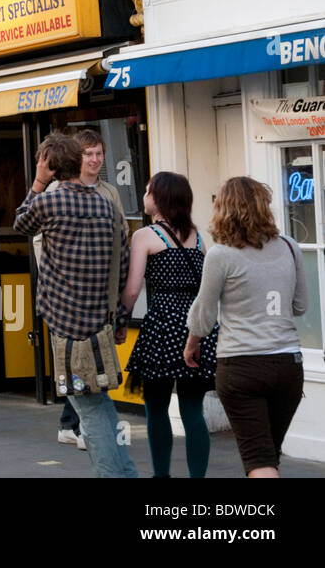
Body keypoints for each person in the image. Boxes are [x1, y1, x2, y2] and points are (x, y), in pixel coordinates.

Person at [14, 132, 137, 478]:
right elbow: (123, 263)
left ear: (52, 166)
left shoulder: (50, 202)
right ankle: (125, 472)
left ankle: (112, 475)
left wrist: (38, 181)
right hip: (100, 320)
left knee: (89, 410)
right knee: (100, 404)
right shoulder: (105, 205)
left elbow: (20, 221)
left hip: (65, 326)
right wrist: (121, 316)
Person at [185, 177, 307, 478]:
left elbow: (204, 314)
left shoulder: (220, 254)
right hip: (288, 365)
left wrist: (192, 343)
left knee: (259, 459)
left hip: (241, 366)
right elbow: (300, 306)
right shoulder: (291, 247)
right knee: (267, 455)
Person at [121, 171, 216, 478]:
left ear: (160, 199)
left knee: (157, 407)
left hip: (162, 324)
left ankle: (161, 475)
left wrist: (122, 319)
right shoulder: (199, 237)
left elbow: (133, 289)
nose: (145, 196)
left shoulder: (146, 236)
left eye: (148, 191)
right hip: (195, 326)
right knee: (192, 409)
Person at [46, 128, 128, 450]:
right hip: (67, 295)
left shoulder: (109, 193)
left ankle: (72, 424)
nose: (94, 160)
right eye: (88, 154)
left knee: (91, 361)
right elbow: (40, 241)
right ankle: (83, 428)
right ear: (76, 158)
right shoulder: (60, 190)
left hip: (102, 292)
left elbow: (121, 239)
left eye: (98, 154)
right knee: (80, 361)